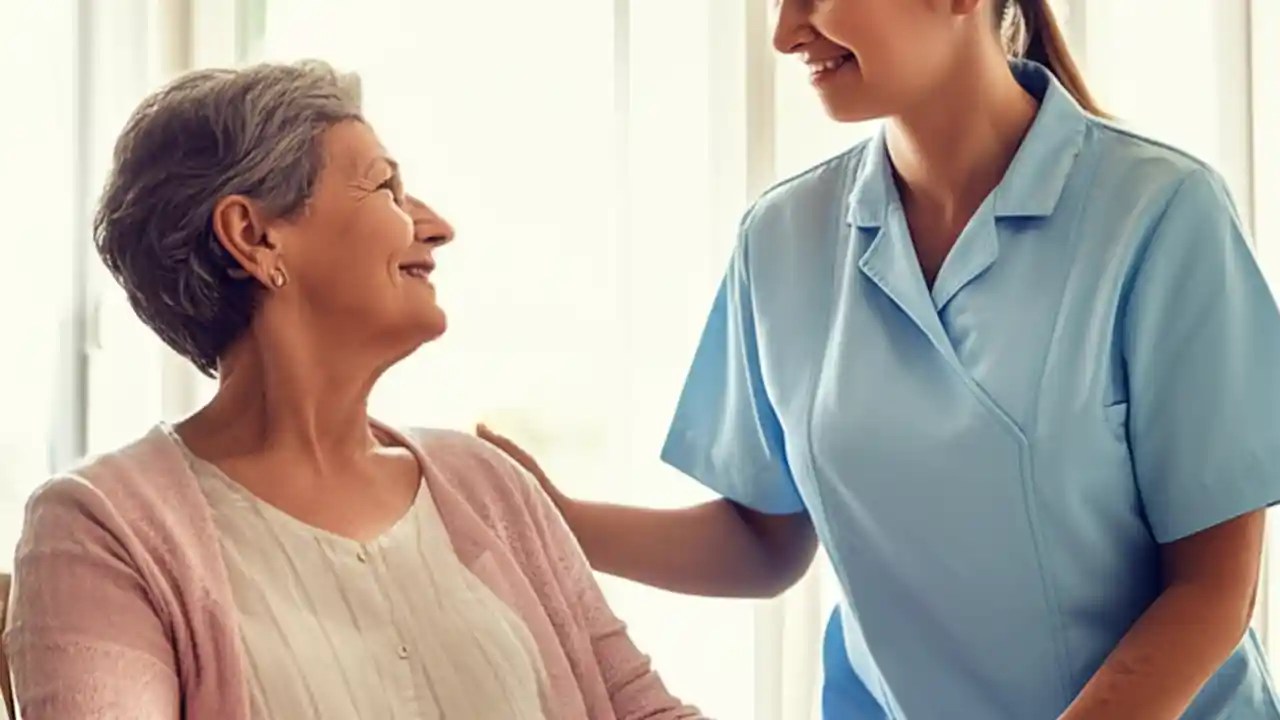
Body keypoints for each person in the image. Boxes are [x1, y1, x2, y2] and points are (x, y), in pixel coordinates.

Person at [479, 0, 1280, 717]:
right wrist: (555, 521)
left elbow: (1212, 586)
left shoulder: (1160, 213)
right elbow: (764, 542)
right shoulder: (782, 237)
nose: (784, 33)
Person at [2, 60, 701, 720]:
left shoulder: (489, 484)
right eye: (385, 187)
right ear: (254, 237)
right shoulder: (98, 526)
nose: (437, 226)